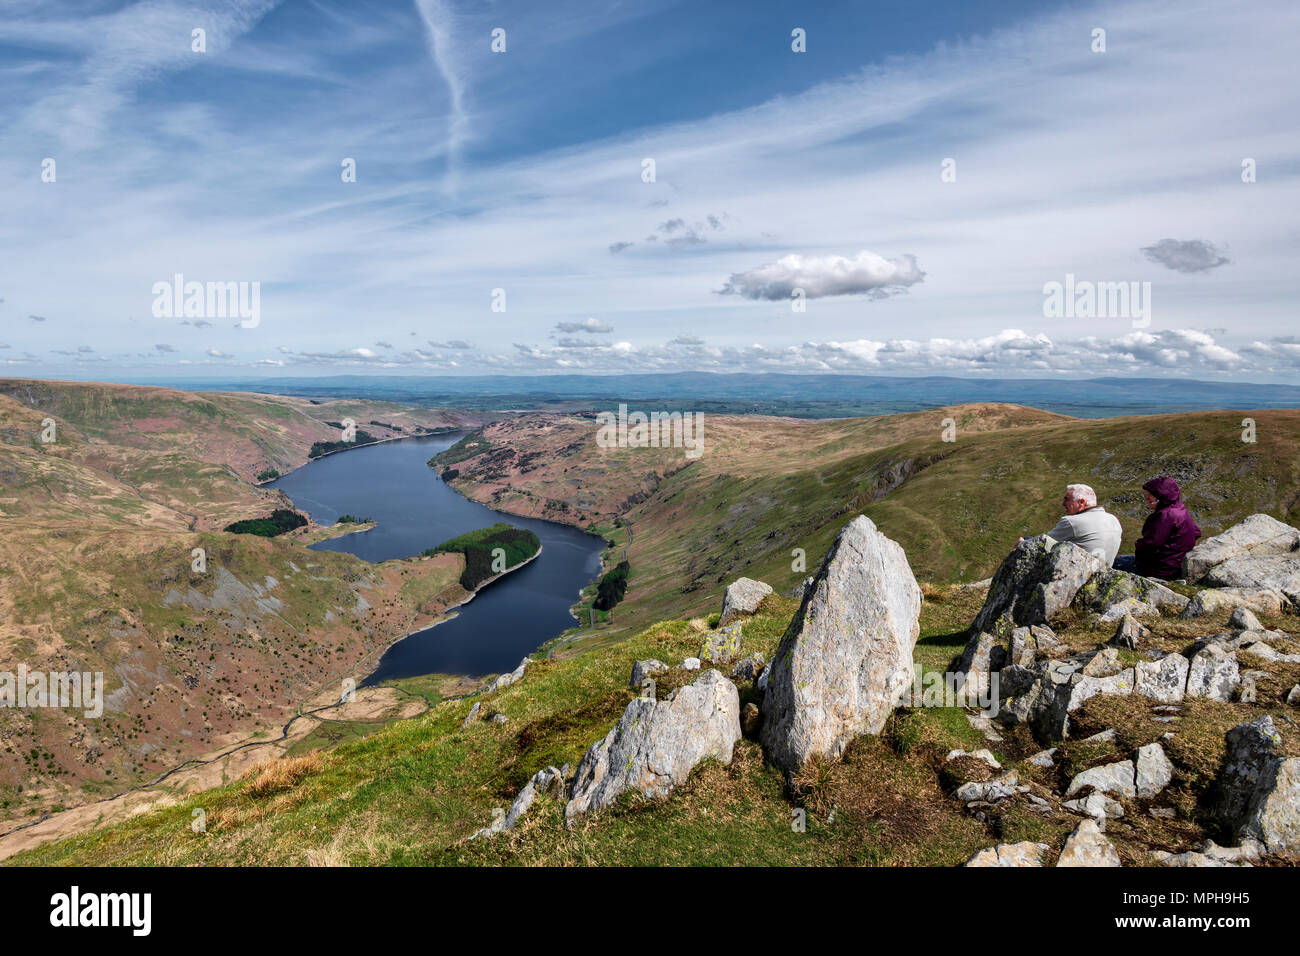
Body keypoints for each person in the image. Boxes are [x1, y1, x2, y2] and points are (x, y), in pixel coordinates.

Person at [1113, 476, 1201, 579]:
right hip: (1172, 565)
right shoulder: (1180, 509)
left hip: (1159, 570)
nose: (1146, 497)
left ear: (1160, 497)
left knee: (1112, 563)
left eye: (1150, 495)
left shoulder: (1165, 516)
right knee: (1123, 558)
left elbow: (1151, 544)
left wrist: (1139, 544)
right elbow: (1196, 532)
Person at [1018, 483, 1123, 565]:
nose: (1063, 504)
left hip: (1078, 573)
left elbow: (1039, 545)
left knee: (1026, 541)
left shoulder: (1073, 522)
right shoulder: (1114, 520)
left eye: (1067, 499)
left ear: (1082, 502)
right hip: (1104, 574)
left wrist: (1021, 543)